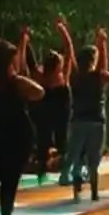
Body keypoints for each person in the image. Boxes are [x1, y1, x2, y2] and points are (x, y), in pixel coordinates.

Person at [0, 34, 45, 215]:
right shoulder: (15, 82)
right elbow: (40, 92)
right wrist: (20, 77)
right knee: (10, 176)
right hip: (16, 133)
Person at [64, 28, 109, 201]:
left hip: (77, 121)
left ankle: (76, 187)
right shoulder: (98, 76)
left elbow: (69, 51)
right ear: (92, 61)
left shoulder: (74, 76)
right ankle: (94, 193)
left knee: (78, 155)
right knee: (93, 159)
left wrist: (64, 31)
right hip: (96, 122)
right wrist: (102, 43)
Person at [25, 19, 74, 184]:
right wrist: (62, 30)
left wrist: (25, 41)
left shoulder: (40, 77)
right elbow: (69, 50)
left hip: (46, 112)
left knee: (44, 142)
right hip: (59, 112)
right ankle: (64, 172)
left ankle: (42, 172)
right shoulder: (62, 78)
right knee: (61, 142)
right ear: (57, 66)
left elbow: (30, 61)